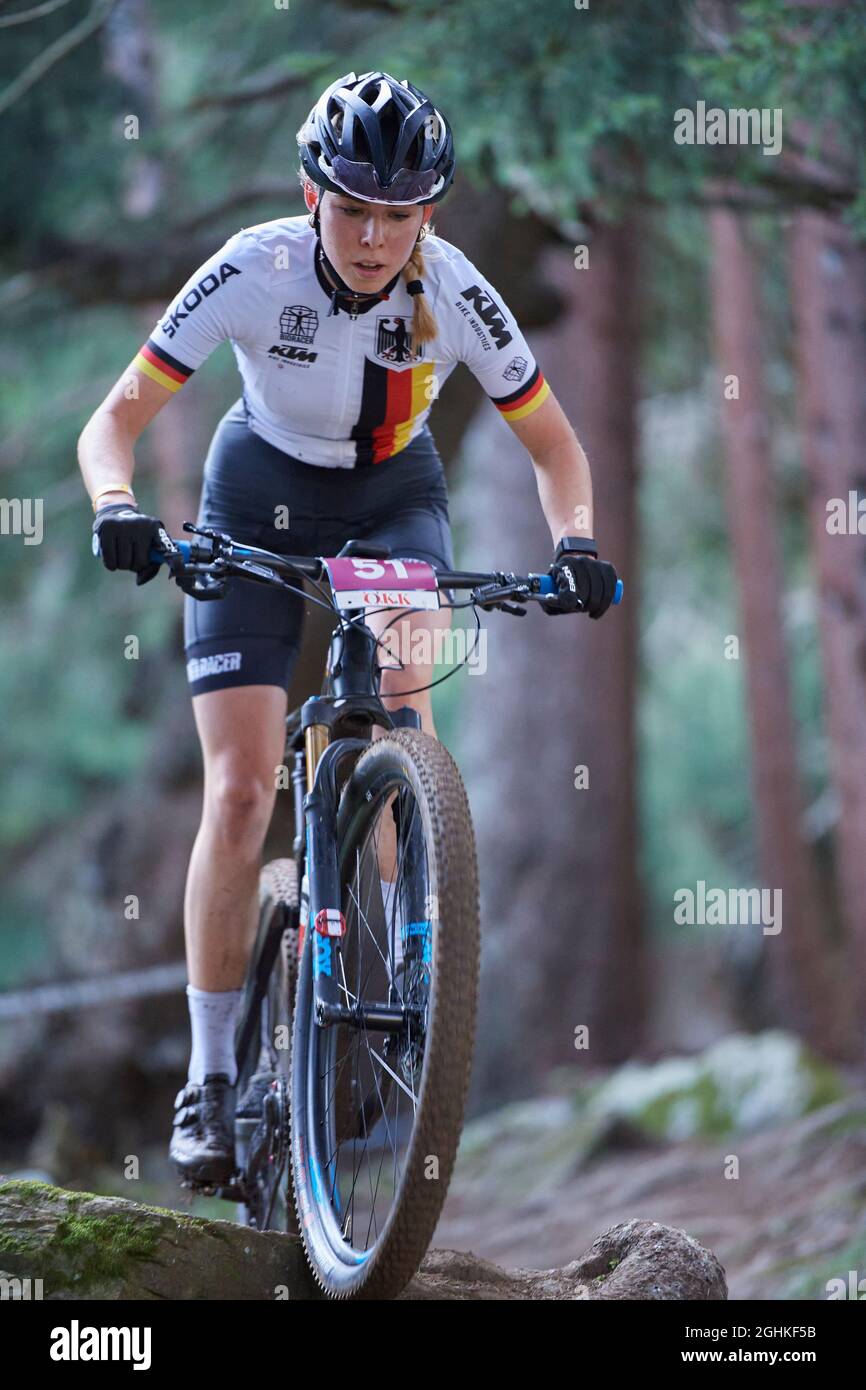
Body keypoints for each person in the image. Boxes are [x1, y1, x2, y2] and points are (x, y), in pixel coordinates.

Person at [77, 69, 617, 1187]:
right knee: (236, 792)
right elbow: (113, 422)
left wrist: (572, 542)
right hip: (252, 496)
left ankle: (399, 955)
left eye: (401, 211)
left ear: (431, 211)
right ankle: (212, 1075)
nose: (374, 235)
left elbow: (557, 448)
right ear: (309, 192)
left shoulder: (458, 293)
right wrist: (118, 508)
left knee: (401, 709)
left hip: (387, 497)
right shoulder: (249, 266)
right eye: (352, 206)